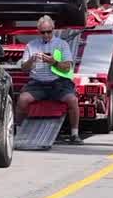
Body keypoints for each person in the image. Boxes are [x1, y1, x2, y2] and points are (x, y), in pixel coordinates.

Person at [16, 15, 83, 145]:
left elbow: (67, 67)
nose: (46, 35)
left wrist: (54, 62)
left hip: (57, 83)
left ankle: (74, 134)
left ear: (53, 29)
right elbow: (24, 68)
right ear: (38, 32)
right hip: (37, 84)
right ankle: (18, 131)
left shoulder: (61, 44)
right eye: (43, 32)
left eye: (49, 32)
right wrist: (31, 60)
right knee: (22, 100)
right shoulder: (31, 45)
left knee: (73, 100)